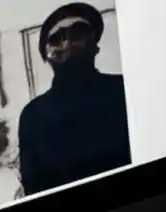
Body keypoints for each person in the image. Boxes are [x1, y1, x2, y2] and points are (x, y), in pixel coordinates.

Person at [18, 3, 132, 195]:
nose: (67, 44)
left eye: (78, 33)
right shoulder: (32, 116)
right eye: (56, 39)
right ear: (47, 55)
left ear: (95, 45)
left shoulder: (124, 89)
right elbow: (34, 189)